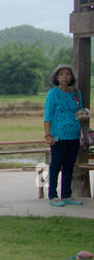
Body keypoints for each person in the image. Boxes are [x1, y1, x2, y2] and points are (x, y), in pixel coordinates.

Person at [43, 64, 87, 207]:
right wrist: (48, 135)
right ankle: (53, 195)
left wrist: (85, 115)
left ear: (71, 77)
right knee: (56, 165)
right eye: (61, 74)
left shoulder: (76, 93)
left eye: (67, 74)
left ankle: (67, 194)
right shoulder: (53, 94)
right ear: (56, 77)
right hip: (58, 135)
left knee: (69, 165)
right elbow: (47, 116)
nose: (65, 77)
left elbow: (78, 112)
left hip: (73, 134)